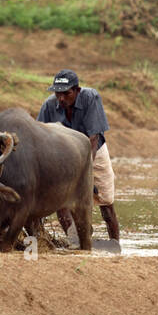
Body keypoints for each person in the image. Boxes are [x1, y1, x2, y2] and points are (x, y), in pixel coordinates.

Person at [37, 69, 120, 245]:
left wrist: (84, 171)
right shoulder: (48, 106)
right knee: (62, 201)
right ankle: (75, 242)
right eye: (57, 93)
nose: (61, 98)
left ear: (77, 90)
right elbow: (40, 137)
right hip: (63, 156)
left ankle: (115, 243)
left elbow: (93, 137)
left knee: (106, 199)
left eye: (66, 93)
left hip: (93, 151)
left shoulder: (91, 98)